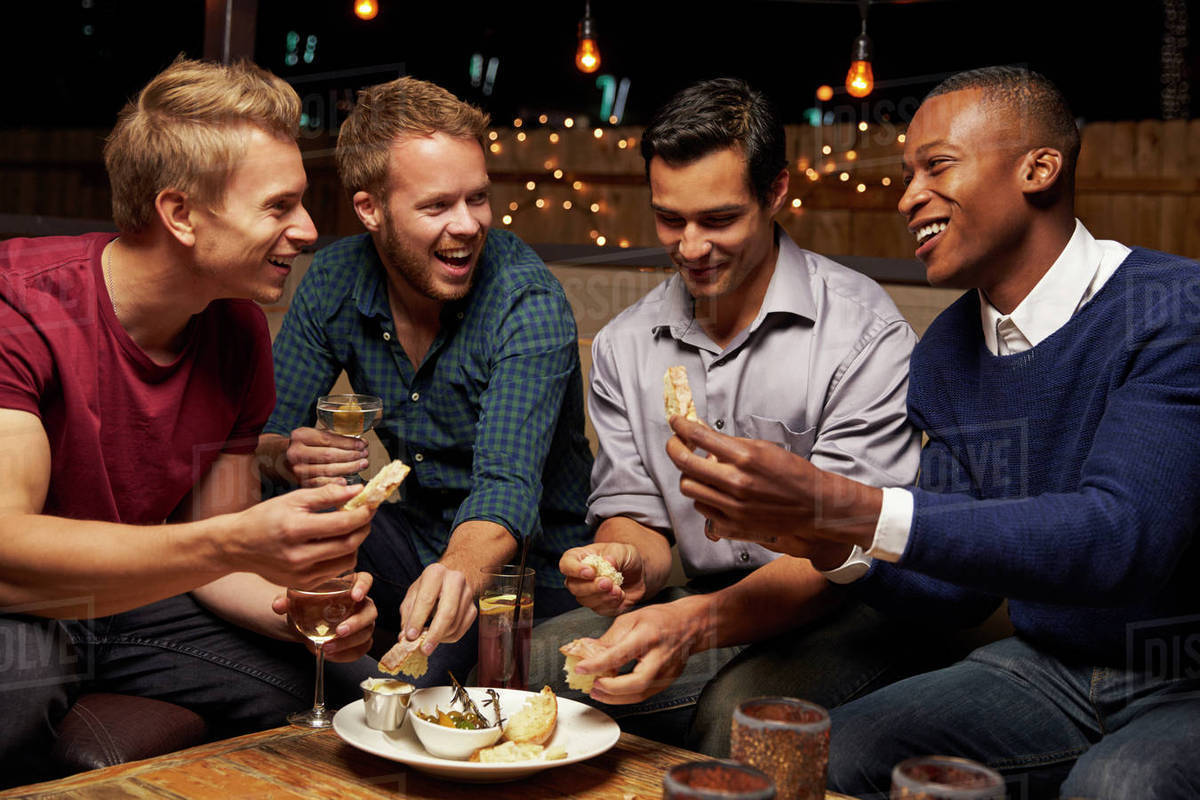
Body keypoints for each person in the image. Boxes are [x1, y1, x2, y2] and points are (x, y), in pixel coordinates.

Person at [668, 66, 1200, 798]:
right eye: (907, 170)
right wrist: (819, 534)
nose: (907, 193)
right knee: (838, 749)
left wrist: (844, 501)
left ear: (1038, 168)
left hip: (1184, 679)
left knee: (1118, 786)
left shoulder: (1173, 308)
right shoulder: (948, 350)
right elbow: (954, 597)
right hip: (1048, 667)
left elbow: (1118, 538)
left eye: (936, 165)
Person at [530, 77, 965, 755]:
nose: (691, 246)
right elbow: (636, 515)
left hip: (852, 603)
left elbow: (849, 549)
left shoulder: (862, 331)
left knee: (738, 714)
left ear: (774, 193)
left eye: (719, 219)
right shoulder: (623, 343)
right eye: (671, 220)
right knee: (535, 665)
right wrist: (622, 558)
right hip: (711, 593)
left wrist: (693, 626)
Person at [0, 58, 380, 787]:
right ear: (180, 215)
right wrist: (231, 540)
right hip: (28, 604)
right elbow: (10, 544)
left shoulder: (236, 331)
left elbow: (218, 549)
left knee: (351, 687)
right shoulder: (25, 311)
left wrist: (294, 609)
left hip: (135, 602)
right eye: (278, 207)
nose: (306, 230)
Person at [257, 76, 592, 686]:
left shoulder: (527, 301)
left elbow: (507, 485)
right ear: (370, 210)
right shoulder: (334, 279)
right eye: (437, 206)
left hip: (523, 573)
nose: (467, 225)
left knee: (411, 697)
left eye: (478, 198)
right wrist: (286, 455)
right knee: (261, 503)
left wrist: (457, 570)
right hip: (407, 542)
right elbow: (265, 433)